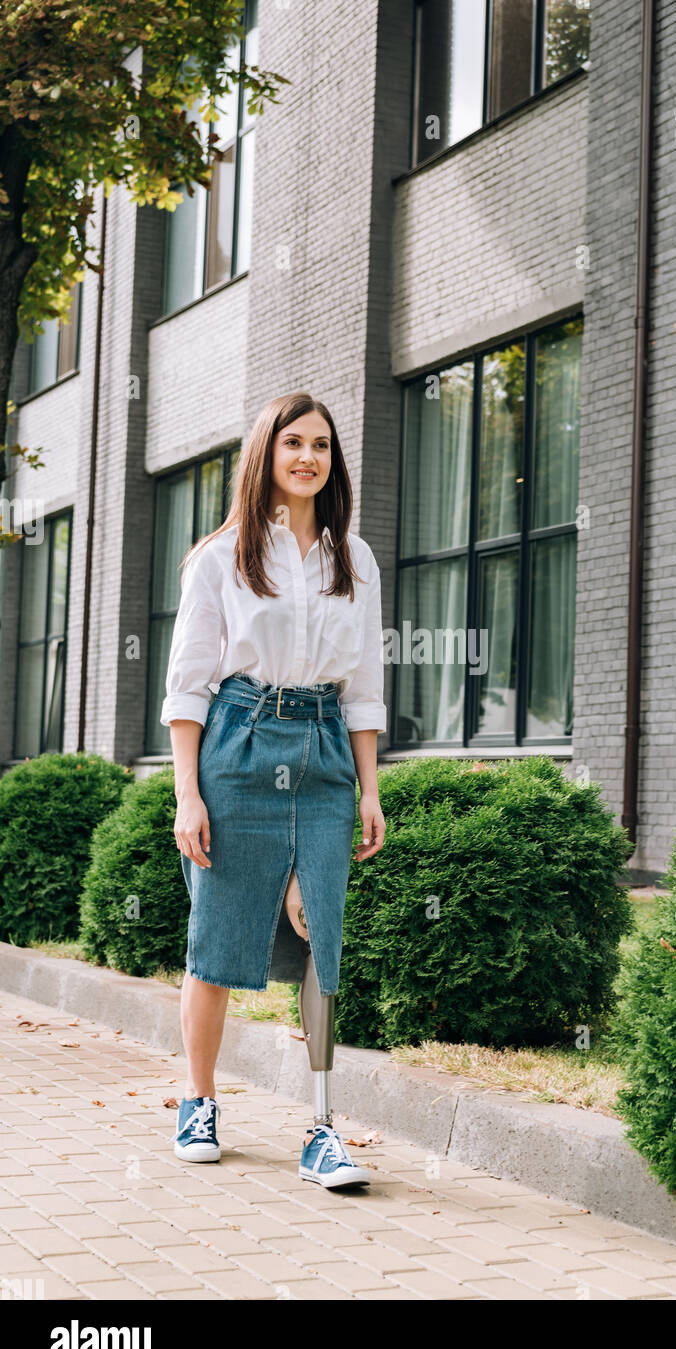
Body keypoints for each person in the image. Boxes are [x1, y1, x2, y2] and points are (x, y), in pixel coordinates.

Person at [160, 391, 387, 1188]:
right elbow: (188, 687)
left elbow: (362, 686)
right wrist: (189, 796)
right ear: (266, 454)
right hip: (238, 747)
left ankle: (321, 1129)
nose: (308, 458)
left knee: (322, 939)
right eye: (292, 443)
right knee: (217, 944)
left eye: (321, 445)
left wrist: (368, 789)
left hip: (323, 751)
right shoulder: (219, 558)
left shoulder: (355, 560)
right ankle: (198, 1101)